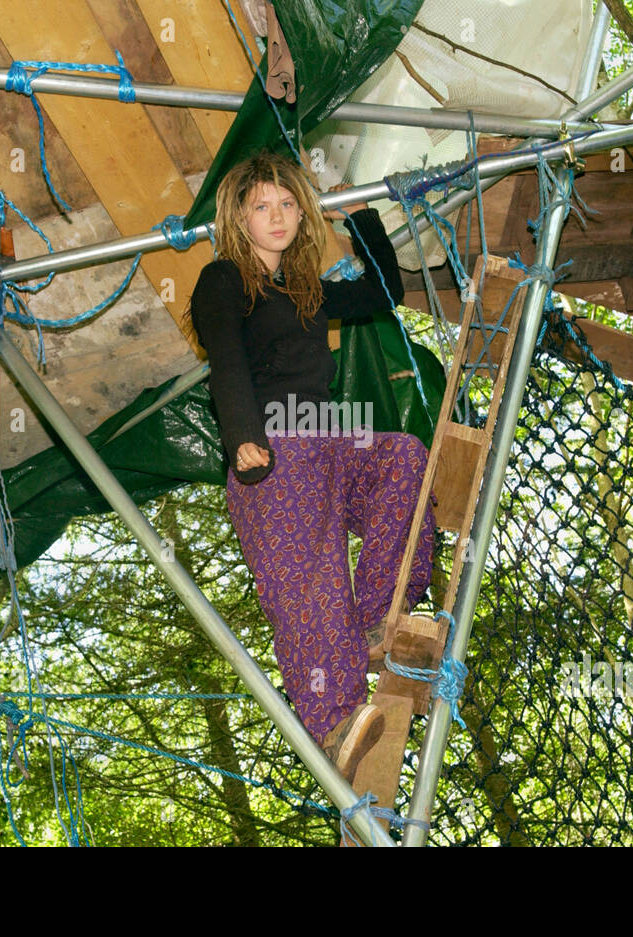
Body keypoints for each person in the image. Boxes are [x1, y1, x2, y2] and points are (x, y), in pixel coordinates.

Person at [190, 152, 435, 782]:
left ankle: (379, 619)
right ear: (238, 219)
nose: (276, 217)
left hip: (328, 440)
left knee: (403, 456)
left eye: (287, 205)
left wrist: (361, 216)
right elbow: (226, 361)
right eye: (260, 207)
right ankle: (333, 724)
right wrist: (244, 437)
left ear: (302, 213)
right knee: (314, 584)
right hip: (276, 453)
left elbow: (385, 292)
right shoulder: (223, 281)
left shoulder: (305, 292)